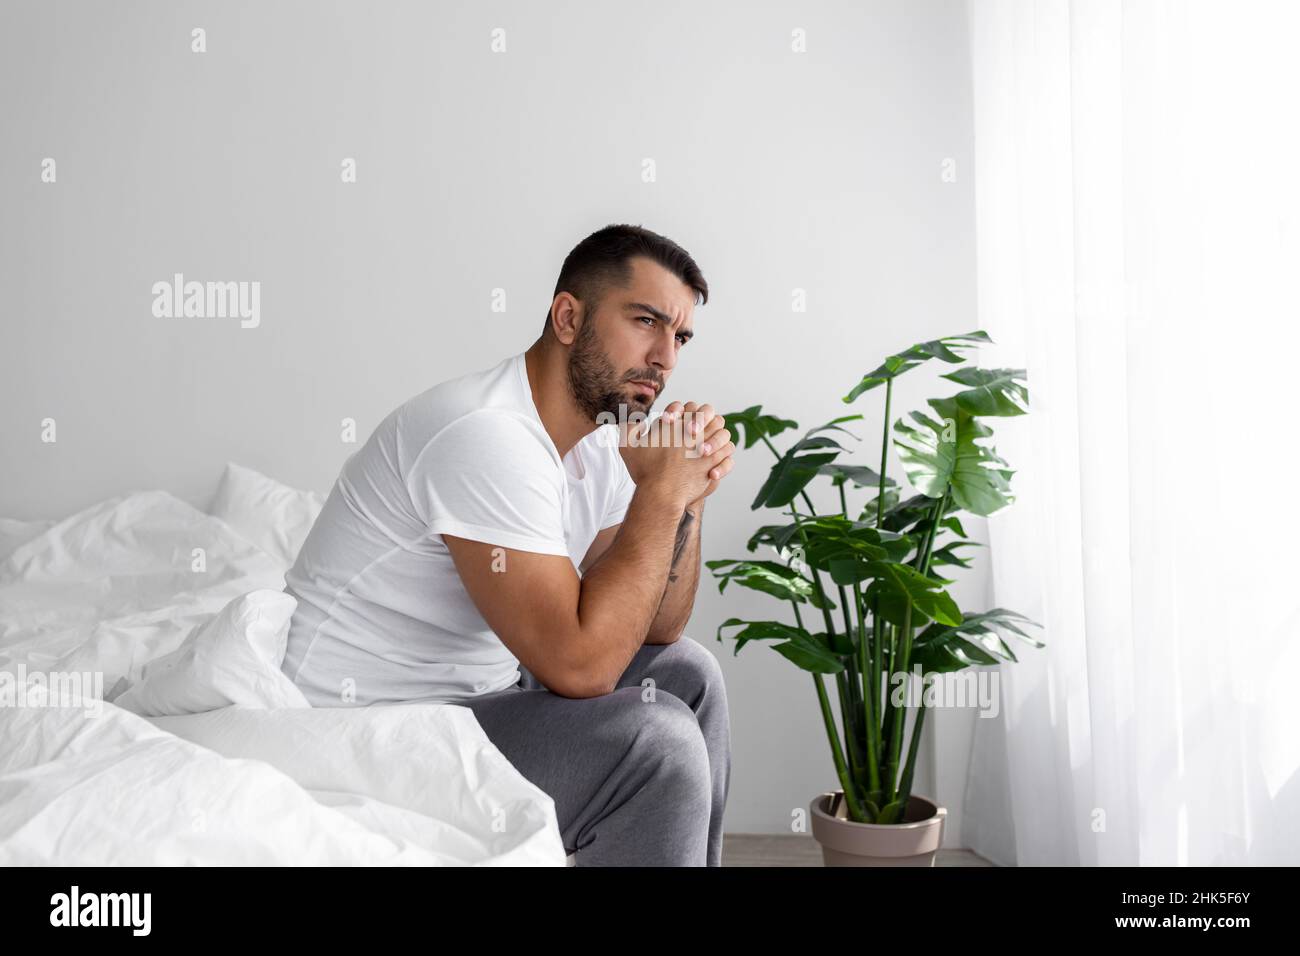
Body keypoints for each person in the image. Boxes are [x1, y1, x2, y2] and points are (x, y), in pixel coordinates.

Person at [280, 223, 736, 866]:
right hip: (361, 733)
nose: (665, 357)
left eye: (680, 336)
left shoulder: (605, 441)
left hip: (474, 705)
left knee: (689, 676)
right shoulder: (487, 435)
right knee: (653, 744)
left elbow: (656, 625)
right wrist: (662, 494)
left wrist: (686, 494)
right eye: (645, 321)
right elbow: (582, 667)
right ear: (568, 317)